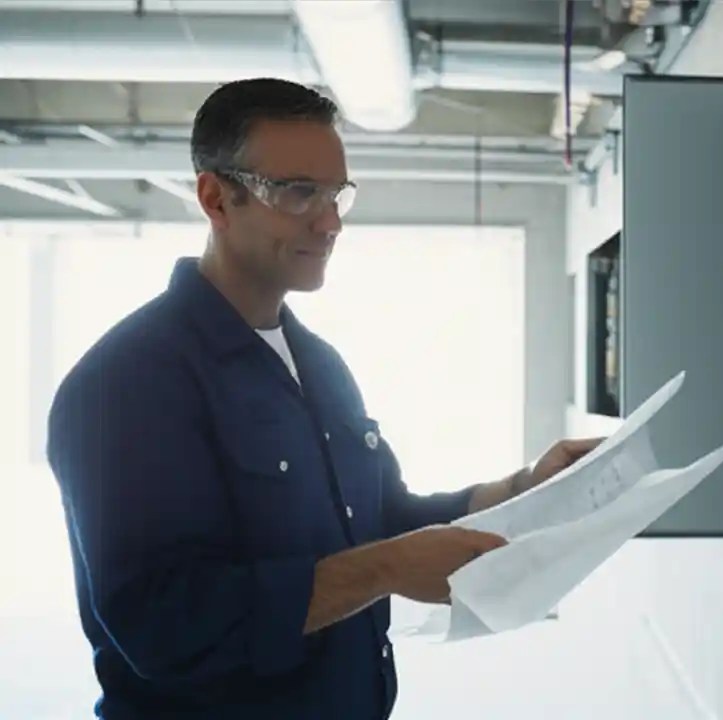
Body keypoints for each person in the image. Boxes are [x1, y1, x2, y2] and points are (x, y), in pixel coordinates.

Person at [45, 77, 601, 720]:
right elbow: (165, 625)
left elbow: (382, 515)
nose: (331, 221)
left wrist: (523, 486)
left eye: (336, 193)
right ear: (216, 199)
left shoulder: (319, 365)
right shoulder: (128, 383)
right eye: (298, 190)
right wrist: (386, 569)